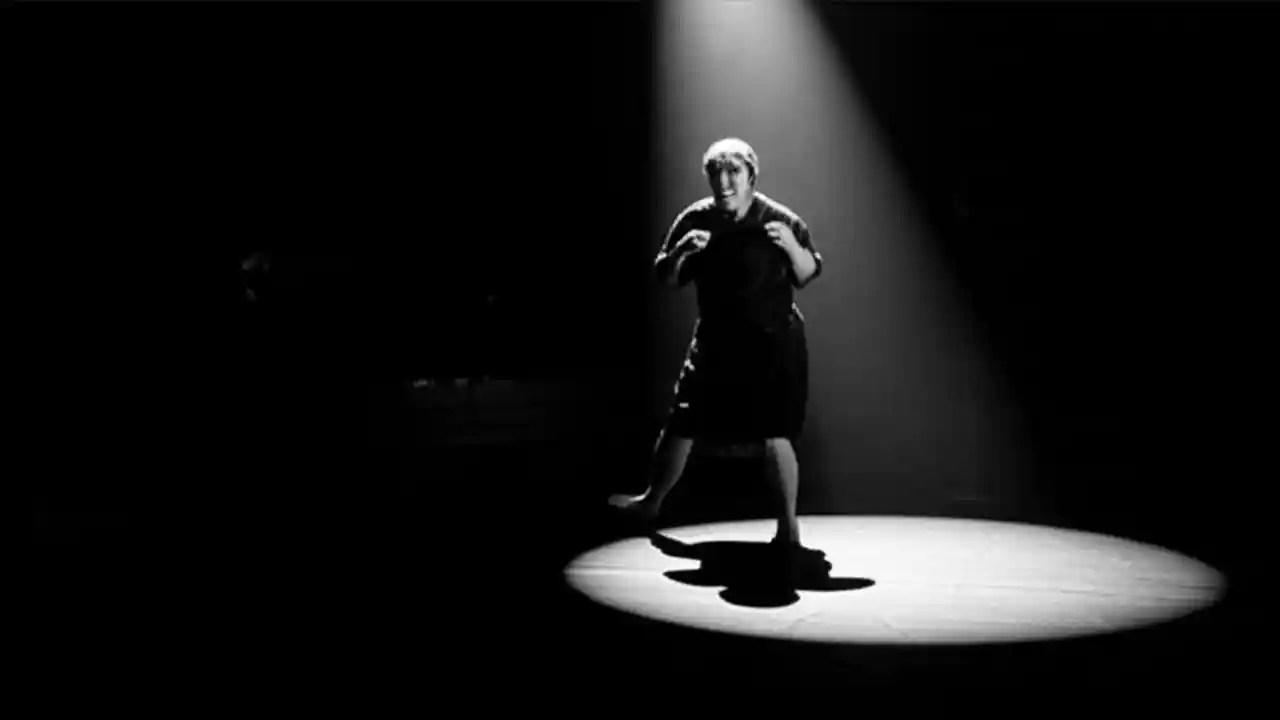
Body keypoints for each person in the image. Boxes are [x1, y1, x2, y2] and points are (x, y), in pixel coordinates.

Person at [610, 137, 824, 554]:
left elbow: (806, 273)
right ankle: (650, 503)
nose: (724, 182)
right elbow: (667, 278)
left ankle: (789, 530)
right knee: (682, 422)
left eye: (733, 173)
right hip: (716, 340)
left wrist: (794, 249)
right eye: (716, 173)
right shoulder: (695, 219)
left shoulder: (779, 218)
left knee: (775, 432)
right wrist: (679, 254)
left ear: (750, 176)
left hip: (772, 342)